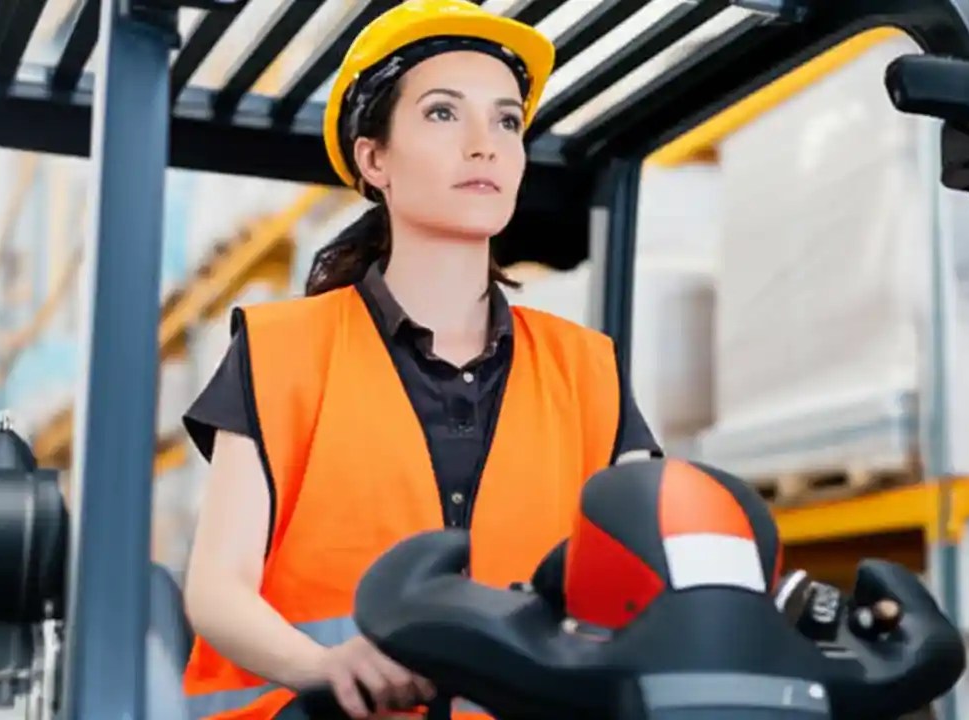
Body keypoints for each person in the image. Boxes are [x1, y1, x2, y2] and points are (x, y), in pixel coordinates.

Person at [177, 2, 664, 718]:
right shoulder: (282, 350)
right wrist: (328, 666)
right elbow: (216, 590)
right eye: (443, 114)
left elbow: (653, 563)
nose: (484, 144)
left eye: (506, 121)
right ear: (375, 160)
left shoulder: (586, 369)